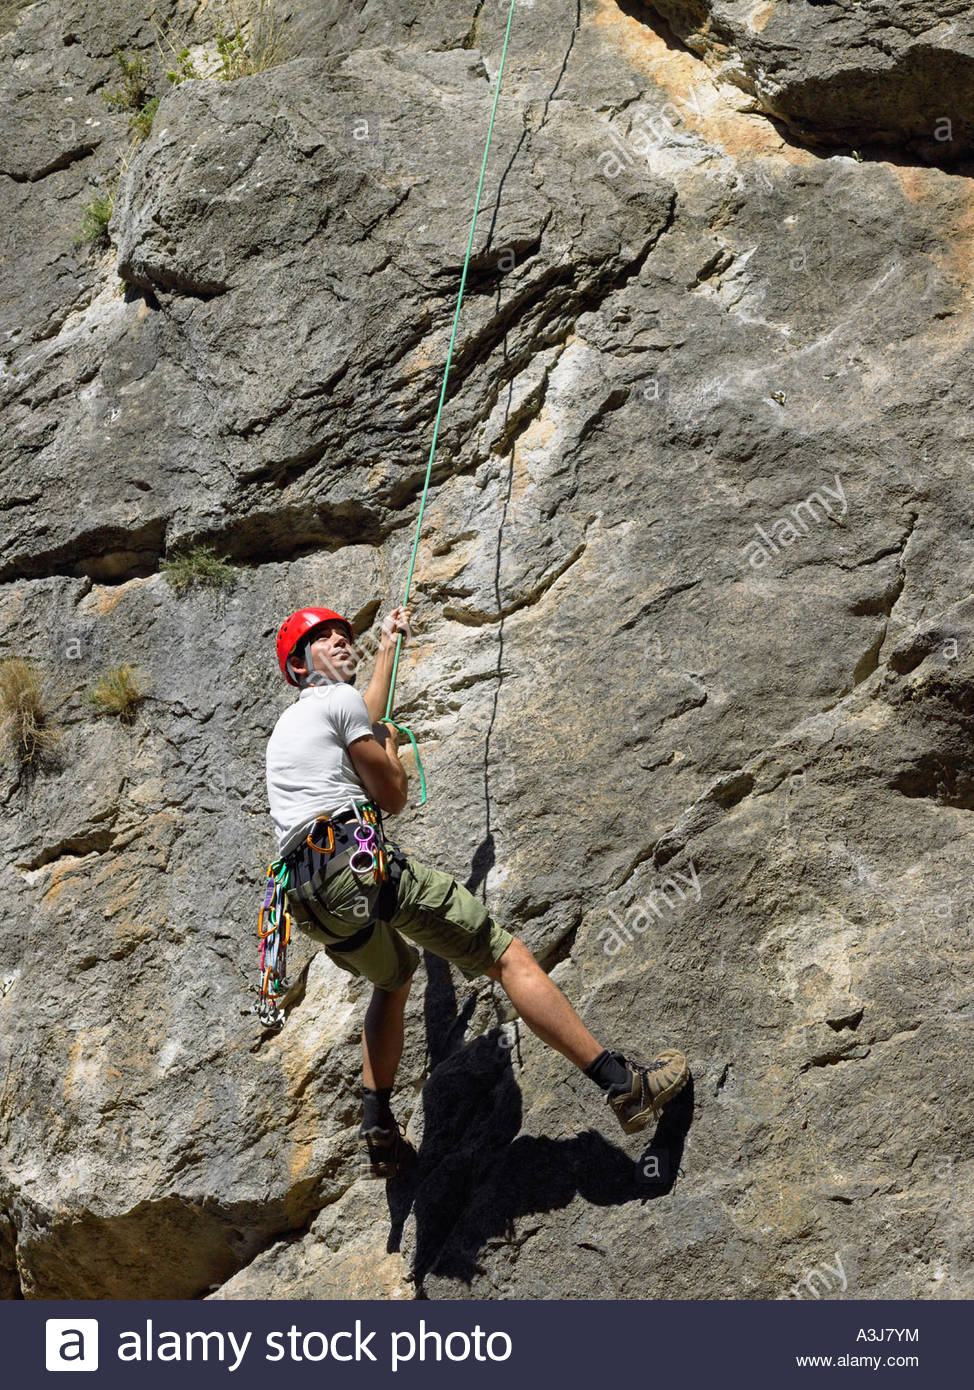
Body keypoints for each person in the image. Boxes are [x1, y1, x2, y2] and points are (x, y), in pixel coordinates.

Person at [265, 605, 690, 1177]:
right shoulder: (338, 704)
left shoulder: (291, 726)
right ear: (300, 664)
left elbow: (357, 712)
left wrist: (387, 645)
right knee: (507, 956)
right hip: (357, 867)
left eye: (346, 635)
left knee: (394, 975)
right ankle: (624, 1084)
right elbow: (390, 796)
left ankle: (379, 1125)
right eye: (325, 639)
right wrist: (390, 746)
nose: (342, 641)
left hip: (309, 899)